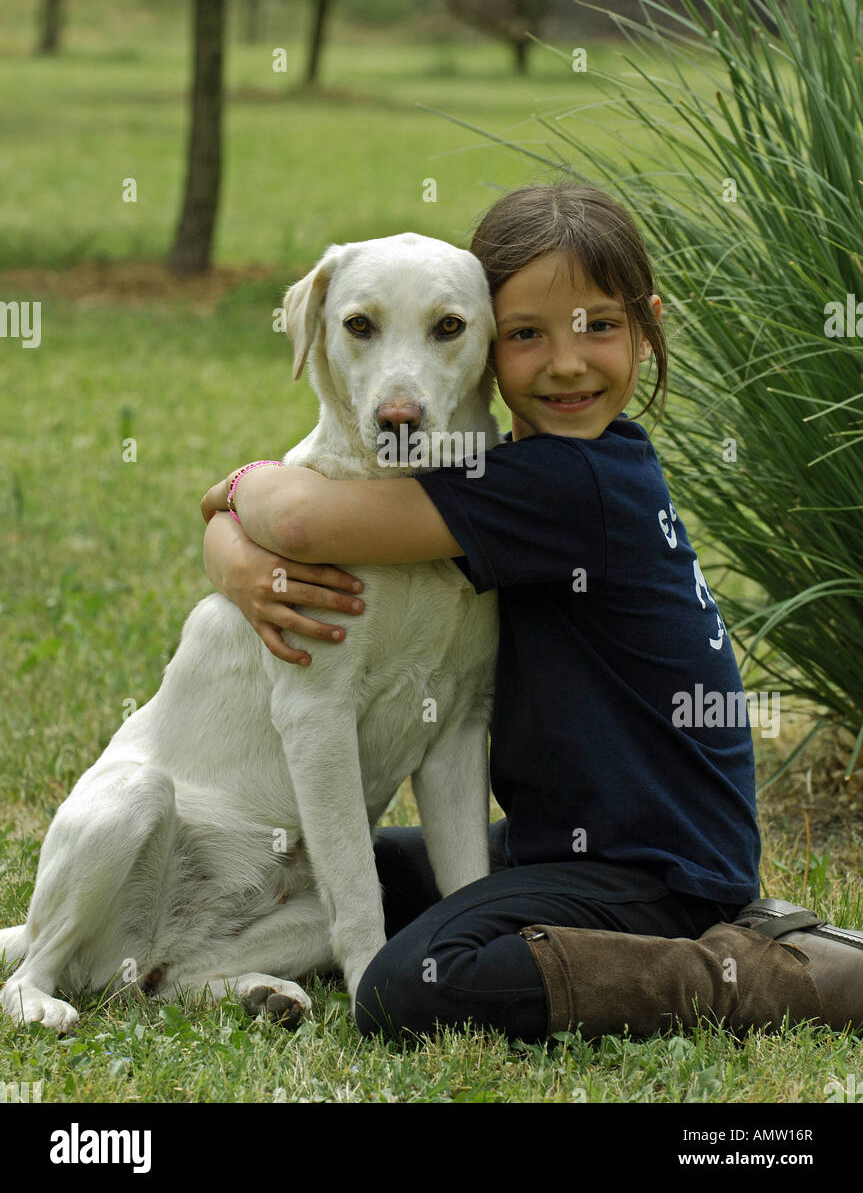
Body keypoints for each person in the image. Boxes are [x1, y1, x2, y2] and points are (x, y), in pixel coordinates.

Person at [201, 181, 863, 1043]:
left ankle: (762, 974)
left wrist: (234, 510)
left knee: (410, 988)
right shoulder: (529, 465)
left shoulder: (562, 484)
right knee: (340, 870)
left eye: (600, 326)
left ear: (648, 326)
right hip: (560, 840)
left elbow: (297, 519)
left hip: (654, 868)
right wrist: (232, 553)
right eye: (526, 335)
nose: (564, 362)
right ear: (487, 347)